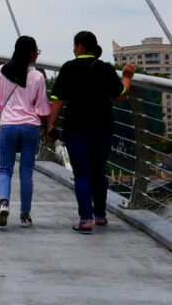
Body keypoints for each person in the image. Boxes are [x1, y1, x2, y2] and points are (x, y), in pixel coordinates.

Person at [46, 30, 135, 233]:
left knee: (82, 174)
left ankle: (85, 219)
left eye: (75, 46)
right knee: (98, 172)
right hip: (102, 128)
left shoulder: (68, 68)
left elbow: (58, 99)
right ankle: (100, 216)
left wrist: (51, 125)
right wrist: (127, 77)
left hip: (75, 128)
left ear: (80, 47)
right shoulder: (105, 68)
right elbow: (120, 95)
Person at [0, 35, 49, 228]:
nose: (37, 55)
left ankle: (3, 204)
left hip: (7, 125)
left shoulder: (1, 71)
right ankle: (25, 215)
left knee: (5, 170)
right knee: (26, 172)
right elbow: (42, 107)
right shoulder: (38, 76)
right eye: (36, 51)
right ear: (30, 53)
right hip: (30, 127)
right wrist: (45, 128)